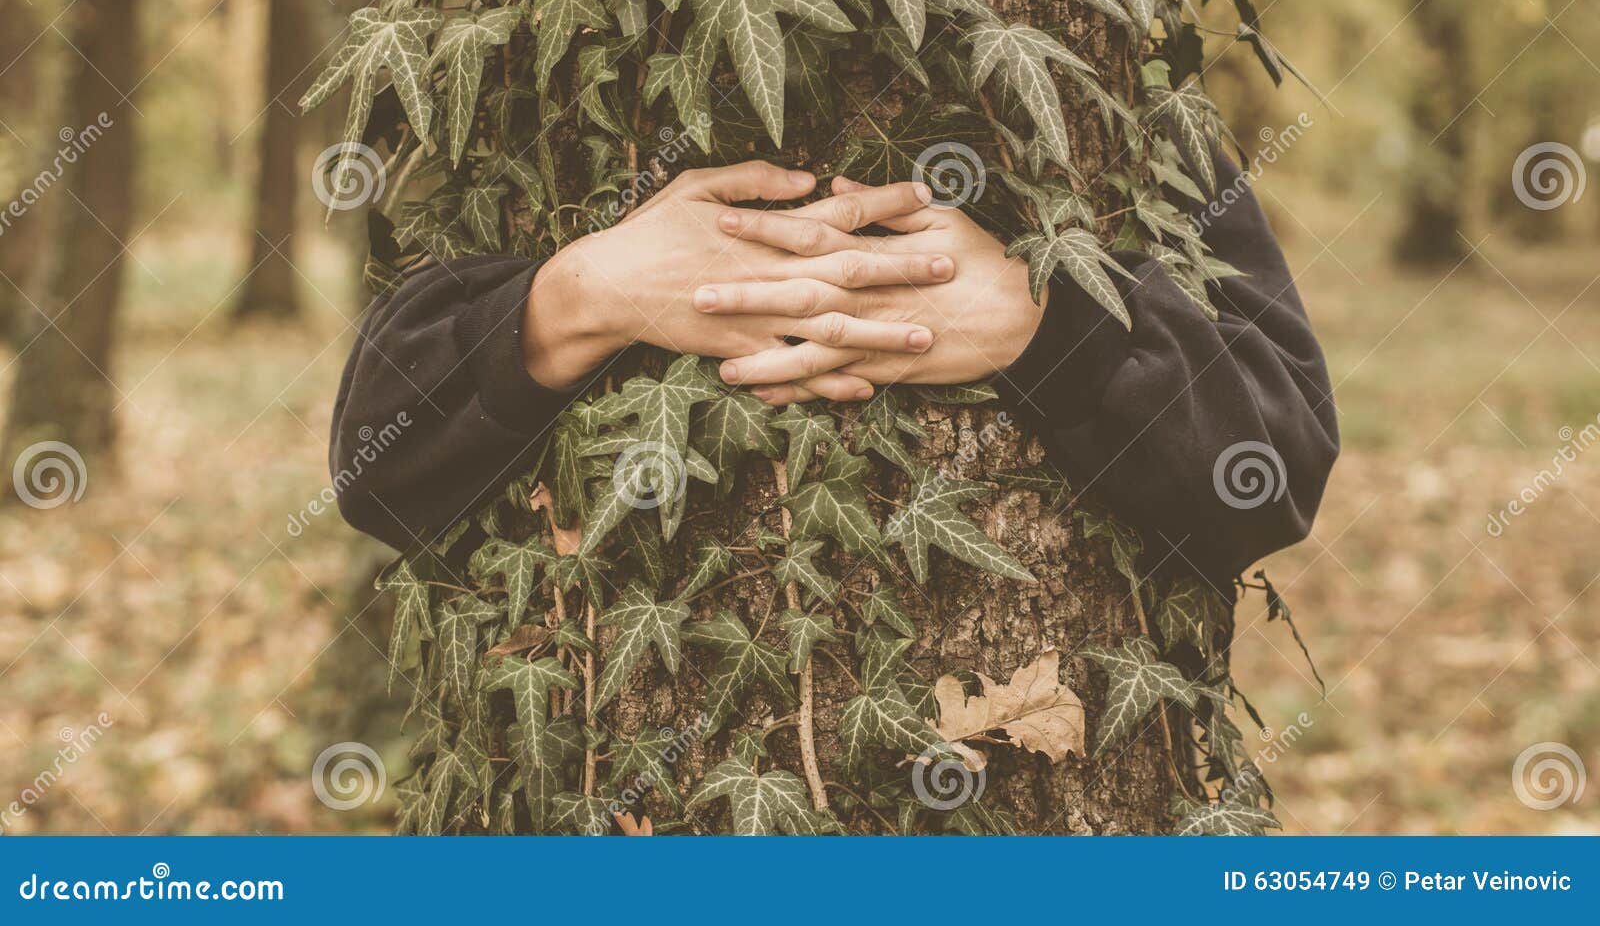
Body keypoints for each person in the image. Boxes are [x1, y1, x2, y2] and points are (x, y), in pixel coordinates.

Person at [330, 155, 1338, 590]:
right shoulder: (515, 61)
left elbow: (1272, 476)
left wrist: (1049, 327)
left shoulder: (1126, 98)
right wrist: (577, 296)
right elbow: (374, 470)